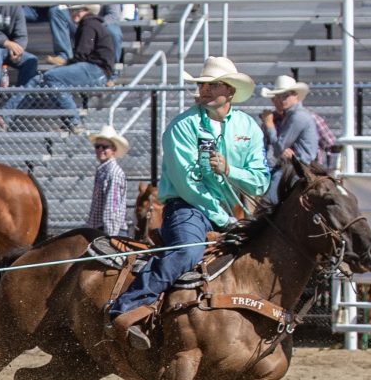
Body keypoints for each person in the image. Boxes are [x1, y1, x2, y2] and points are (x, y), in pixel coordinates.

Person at [111, 58, 270, 350]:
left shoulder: (249, 127)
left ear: (230, 90)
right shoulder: (182, 126)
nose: (204, 89)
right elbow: (187, 184)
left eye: (213, 85)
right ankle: (129, 307)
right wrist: (225, 220)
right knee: (187, 251)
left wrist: (231, 170)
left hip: (232, 211)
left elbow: (260, 181)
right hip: (188, 208)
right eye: (202, 84)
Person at [9, 2, 118, 122]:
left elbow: (83, 53)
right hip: (94, 69)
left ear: (87, 10)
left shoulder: (89, 24)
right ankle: (6, 116)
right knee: (38, 80)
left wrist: (64, 63)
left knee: (51, 77)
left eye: (77, 10)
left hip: (96, 70)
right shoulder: (91, 25)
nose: (73, 13)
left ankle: (74, 120)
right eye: (72, 11)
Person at [259, 74, 321, 190]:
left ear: (295, 96)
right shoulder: (293, 115)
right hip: (297, 165)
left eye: (285, 96)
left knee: (269, 193)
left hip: (299, 168)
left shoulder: (297, 116)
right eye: (278, 97)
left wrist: (269, 125)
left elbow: (279, 148)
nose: (281, 100)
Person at [86, 127, 131, 238]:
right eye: (97, 146)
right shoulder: (103, 171)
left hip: (110, 232)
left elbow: (111, 209)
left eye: (105, 147)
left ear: (113, 149)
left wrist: (110, 237)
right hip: (102, 229)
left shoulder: (113, 173)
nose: (100, 149)